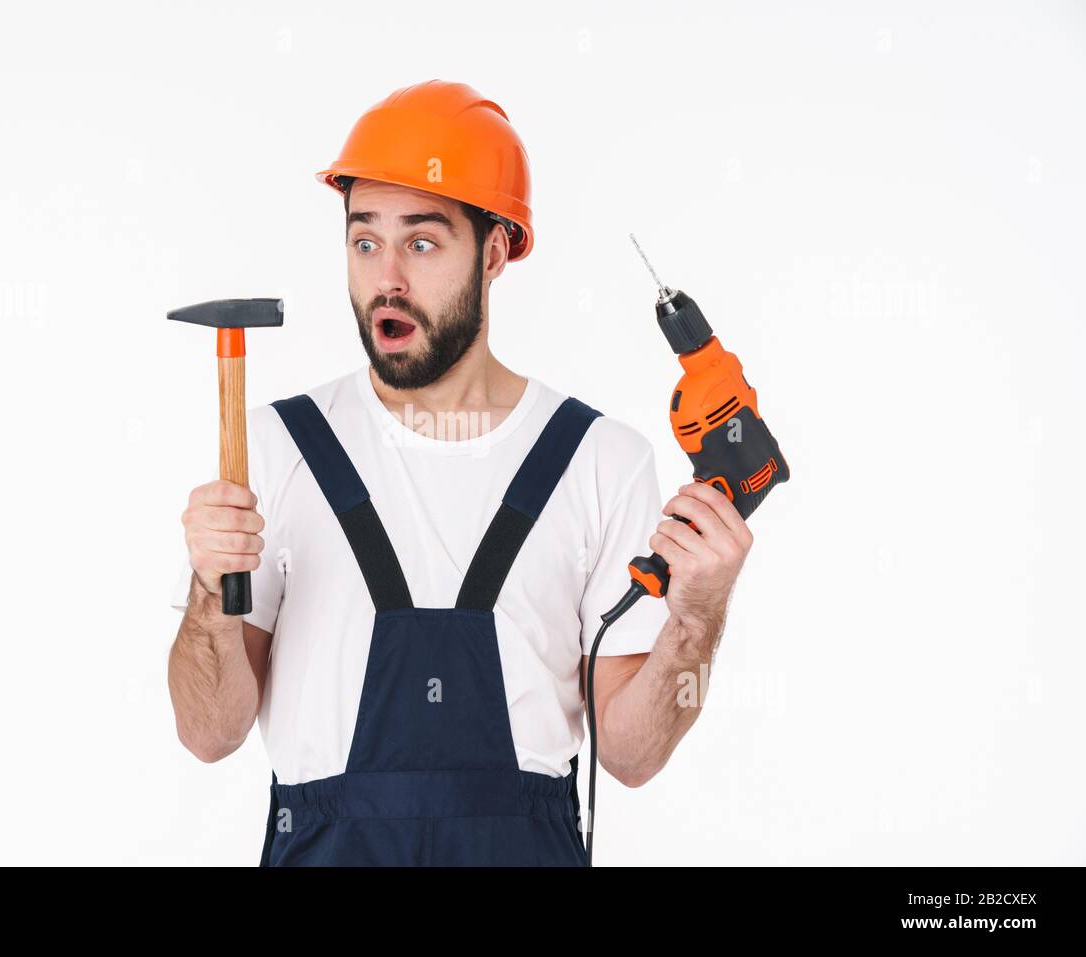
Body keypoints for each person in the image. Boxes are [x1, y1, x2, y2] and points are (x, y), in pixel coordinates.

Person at [167, 80, 753, 866]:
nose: (387, 279)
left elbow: (634, 756)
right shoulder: (275, 448)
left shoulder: (599, 460)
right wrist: (210, 590)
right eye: (364, 240)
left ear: (498, 249)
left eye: (423, 241)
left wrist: (695, 619)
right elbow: (209, 734)